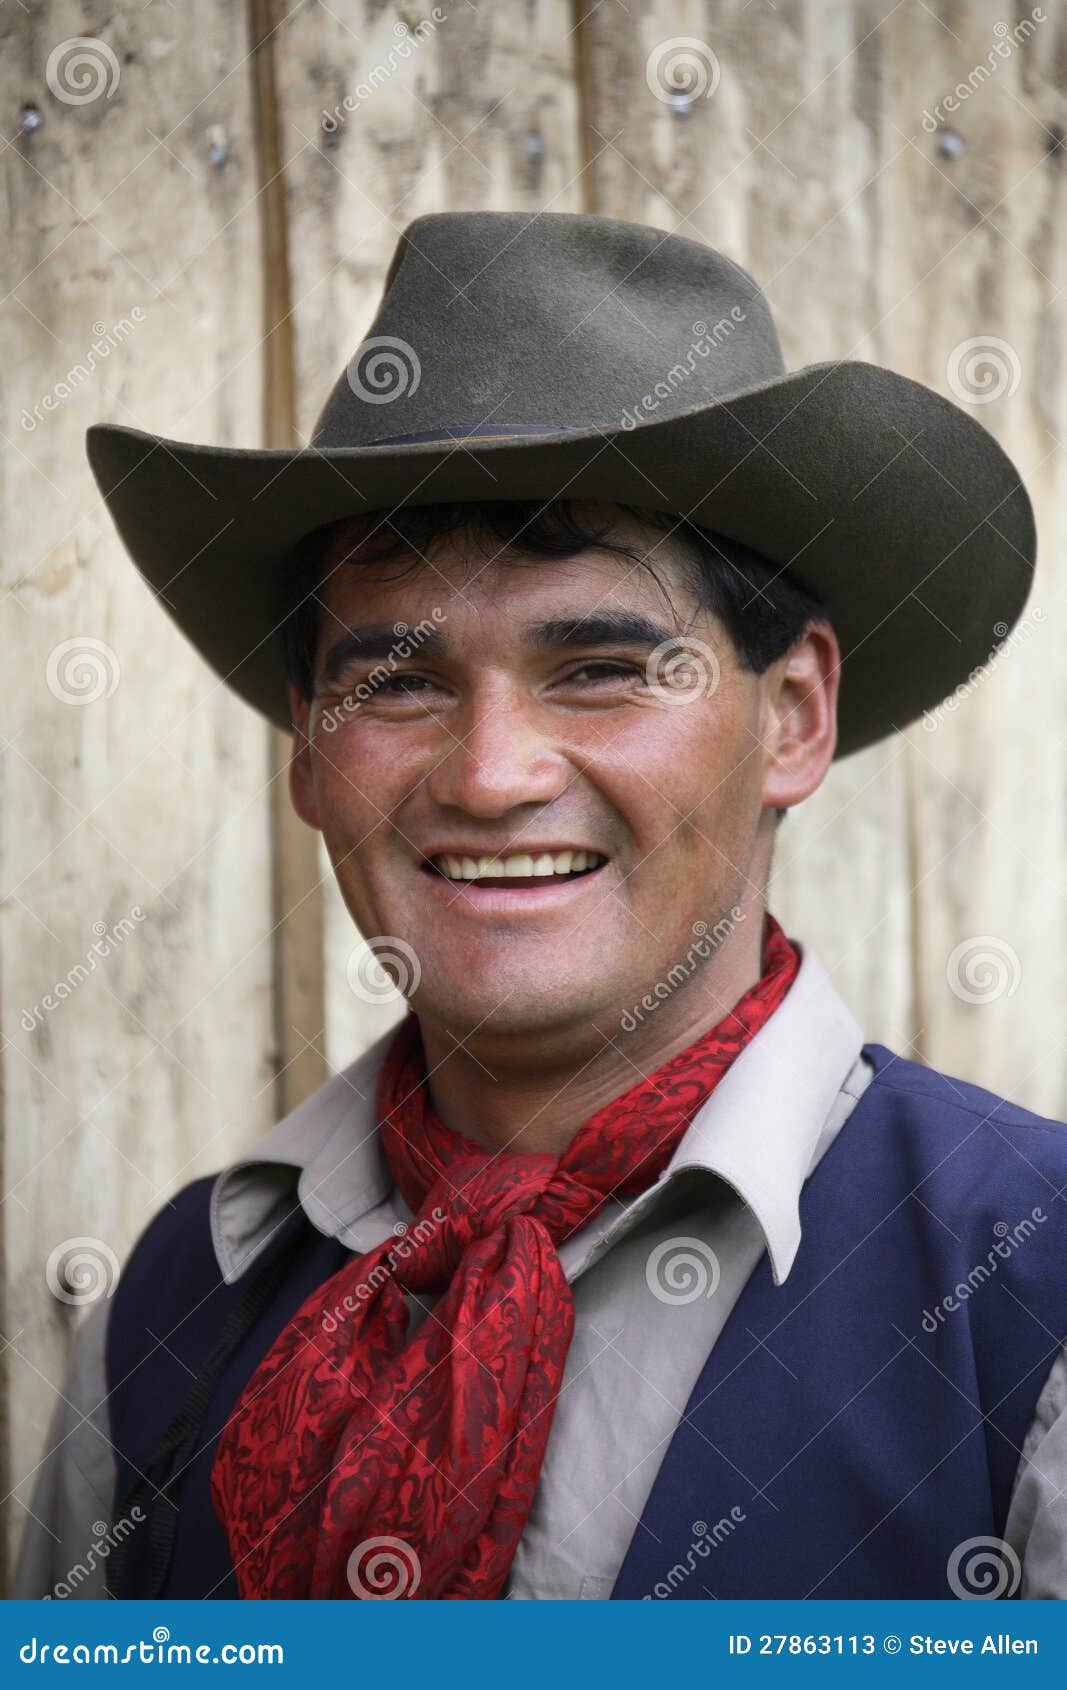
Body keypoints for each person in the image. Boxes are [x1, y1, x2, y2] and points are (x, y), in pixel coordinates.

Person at [14, 210, 1067, 1601]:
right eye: (397, 678)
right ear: (308, 750)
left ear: (794, 716)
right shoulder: (176, 1300)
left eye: (600, 668)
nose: (492, 774)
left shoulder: (1028, 1287)